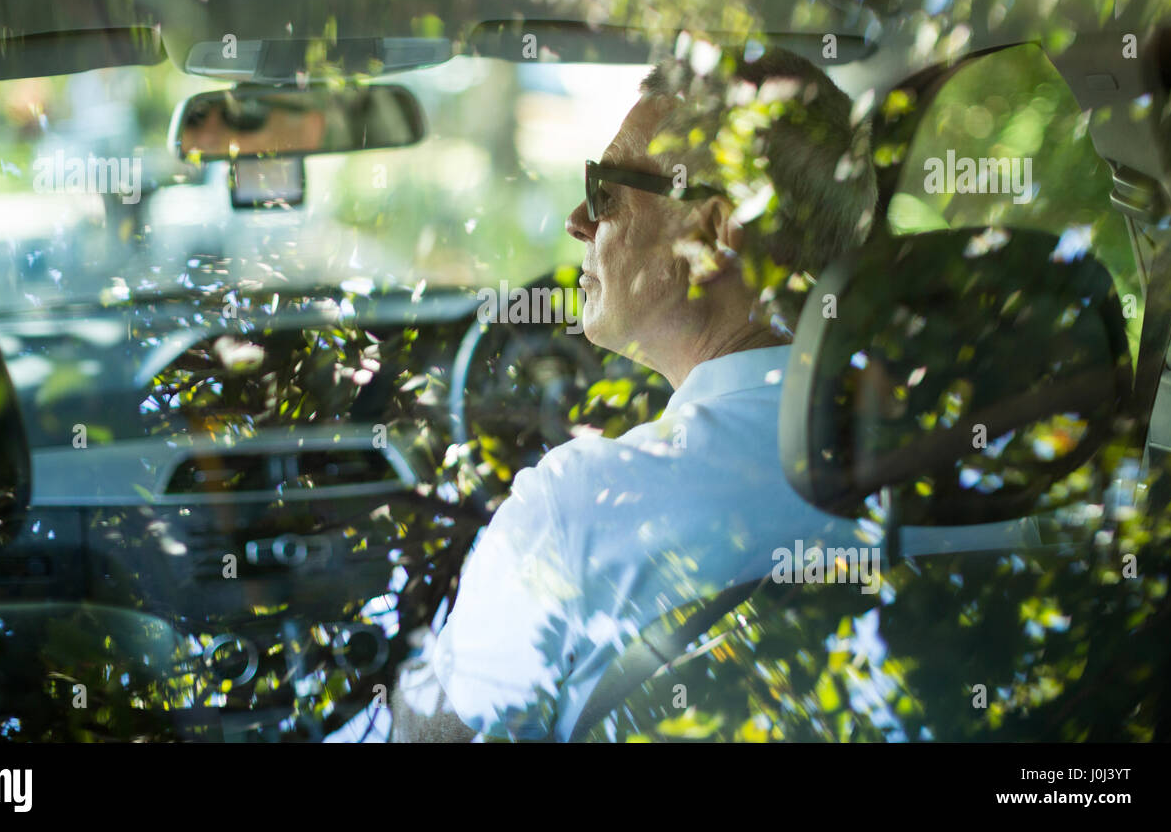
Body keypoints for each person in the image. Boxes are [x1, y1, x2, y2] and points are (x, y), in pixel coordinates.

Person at [390, 44, 1038, 742]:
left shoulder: (576, 506)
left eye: (605, 189)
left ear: (711, 233)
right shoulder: (988, 477)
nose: (579, 222)